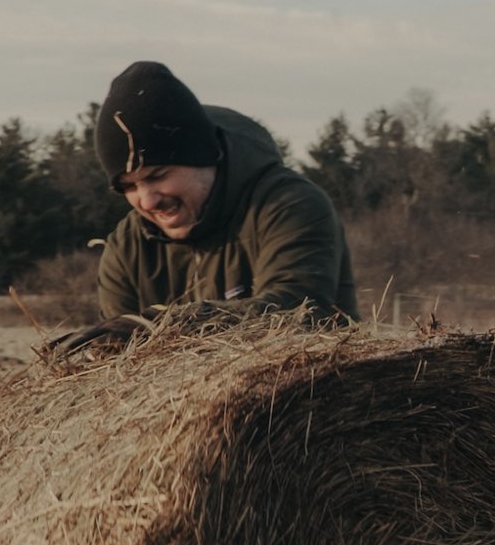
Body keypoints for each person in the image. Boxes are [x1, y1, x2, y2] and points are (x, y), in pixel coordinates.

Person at [51, 61, 358, 351]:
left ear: (204, 157)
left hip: (312, 396)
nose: (147, 201)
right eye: (128, 187)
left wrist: (157, 325)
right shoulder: (126, 247)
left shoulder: (290, 205)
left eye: (158, 175)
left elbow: (298, 310)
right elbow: (119, 361)